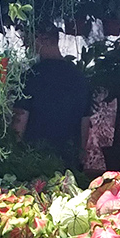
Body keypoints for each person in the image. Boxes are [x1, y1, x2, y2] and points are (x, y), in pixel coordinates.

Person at [12, 26, 91, 165]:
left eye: (30, 40)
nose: (27, 45)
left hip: (35, 160)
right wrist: (81, 153)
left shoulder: (30, 77)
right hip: (68, 160)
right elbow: (84, 120)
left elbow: (20, 119)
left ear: (44, 39)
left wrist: (14, 153)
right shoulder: (79, 77)